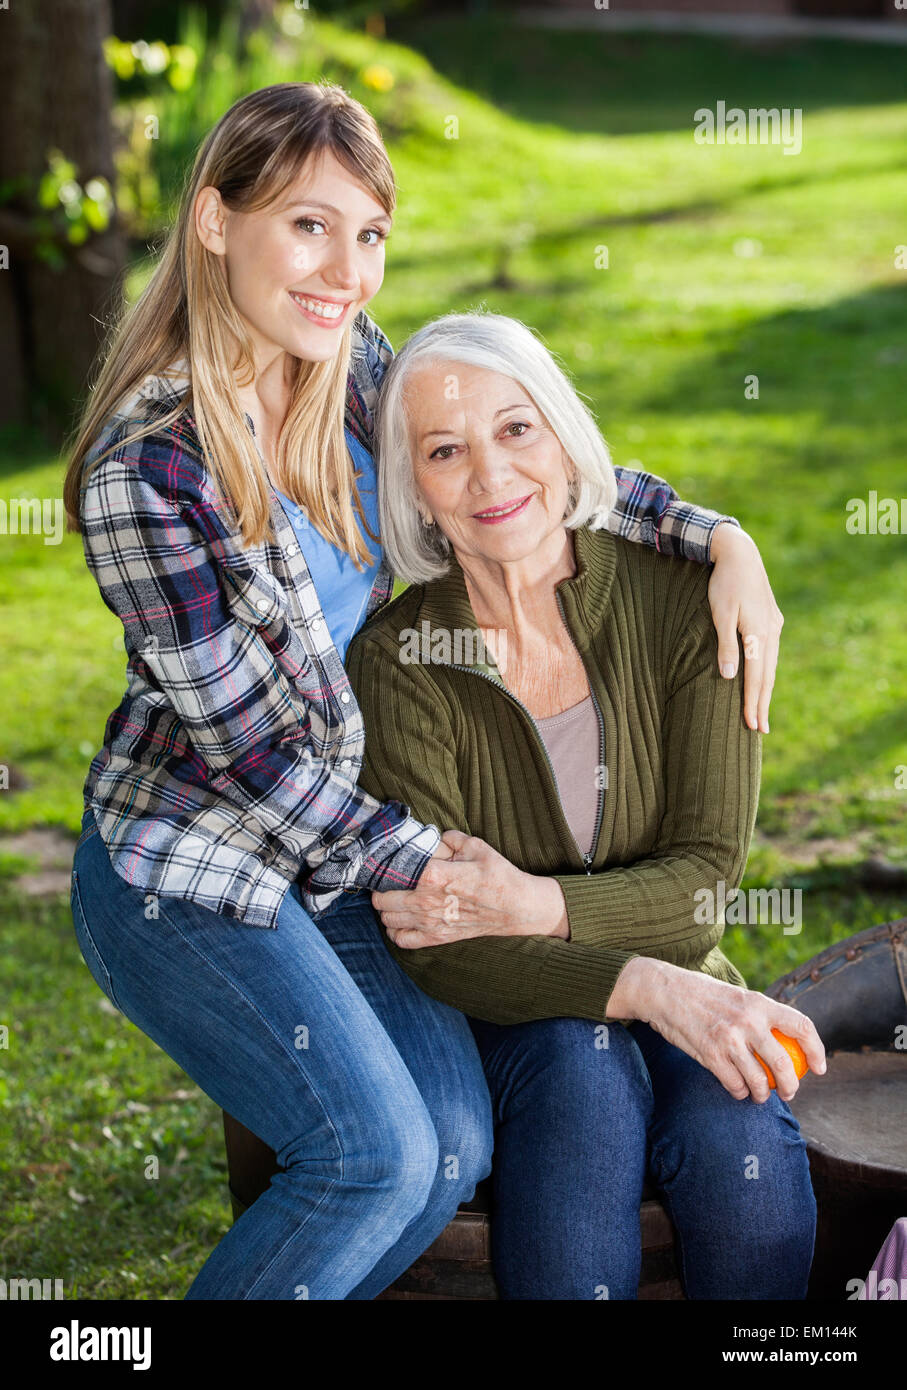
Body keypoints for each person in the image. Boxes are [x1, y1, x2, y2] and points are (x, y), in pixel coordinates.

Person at [64, 83, 783, 1300]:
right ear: (211, 221)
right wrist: (472, 882)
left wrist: (721, 540)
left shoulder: (351, 370)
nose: (346, 270)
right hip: (196, 859)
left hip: (344, 852)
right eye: (308, 226)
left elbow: (527, 457)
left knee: (454, 1144)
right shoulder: (148, 472)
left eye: (370, 235)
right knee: (380, 1156)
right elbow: (257, 767)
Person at [345, 310, 825, 1300]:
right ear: (415, 492)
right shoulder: (398, 662)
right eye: (445, 450)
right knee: (581, 1087)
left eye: (516, 429)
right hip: (514, 1007)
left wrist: (537, 904)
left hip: (690, 964)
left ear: (562, 438)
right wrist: (644, 986)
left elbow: (705, 883)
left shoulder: (688, 600)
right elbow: (442, 936)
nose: (489, 475)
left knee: (742, 1141)